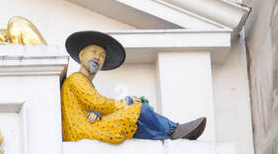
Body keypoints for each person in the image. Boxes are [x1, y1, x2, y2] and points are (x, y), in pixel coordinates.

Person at [61, 30, 206, 145]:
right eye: (93, 52)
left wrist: (97, 113)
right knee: (138, 110)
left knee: (135, 124)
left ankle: (167, 137)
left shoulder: (85, 83)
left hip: (87, 128)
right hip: (83, 131)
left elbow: (92, 107)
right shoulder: (76, 79)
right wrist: (126, 102)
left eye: (102, 55)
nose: (97, 57)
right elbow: (98, 103)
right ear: (81, 55)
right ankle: (174, 129)